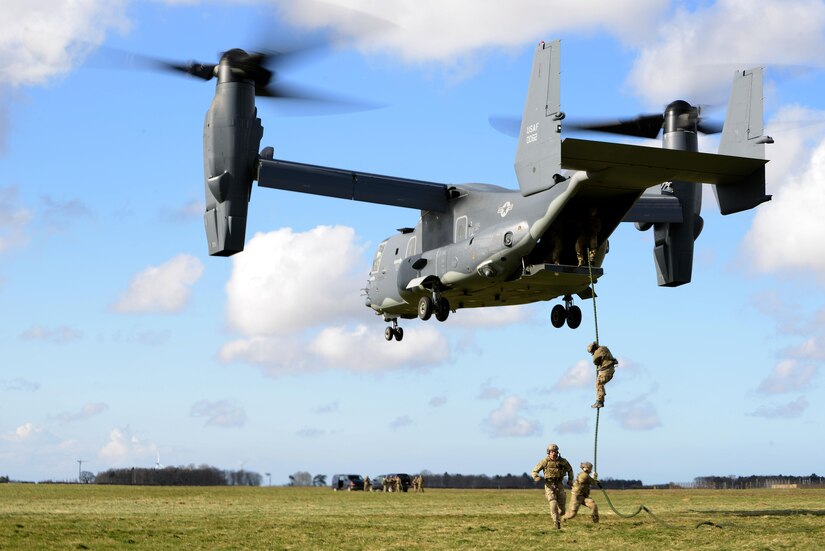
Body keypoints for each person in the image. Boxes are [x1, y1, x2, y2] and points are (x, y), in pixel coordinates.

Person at [531, 443, 574, 529]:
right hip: (549, 485)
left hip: (560, 485)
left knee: (562, 509)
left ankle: (560, 515)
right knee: (553, 503)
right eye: (552, 452)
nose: (554, 453)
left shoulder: (563, 461)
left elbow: (570, 470)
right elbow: (534, 471)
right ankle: (556, 522)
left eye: (555, 451)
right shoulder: (544, 461)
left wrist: (570, 480)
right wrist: (536, 477)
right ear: (548, 452)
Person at [588, 341, 617, 408]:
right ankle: (602, 395)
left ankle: (600, 401)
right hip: (610, 369)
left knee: (599, 383)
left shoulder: (597, 352)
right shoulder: (604, 348)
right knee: (600, 383)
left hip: (607, 371)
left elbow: (595, 362)